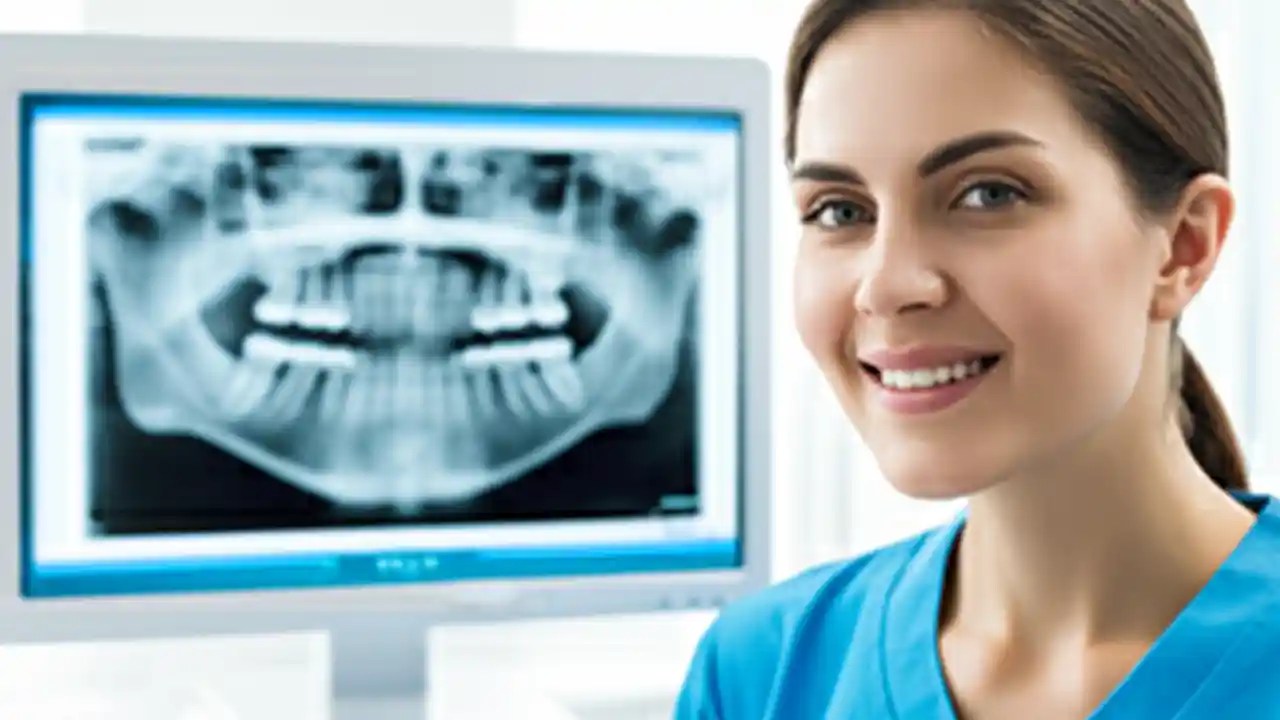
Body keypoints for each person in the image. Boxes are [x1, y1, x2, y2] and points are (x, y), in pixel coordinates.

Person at [674, 1, 1280, 718]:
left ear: (1183, 246)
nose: (888, 284)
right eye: (840, 210)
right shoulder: (763, 672)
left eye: (988, 194)